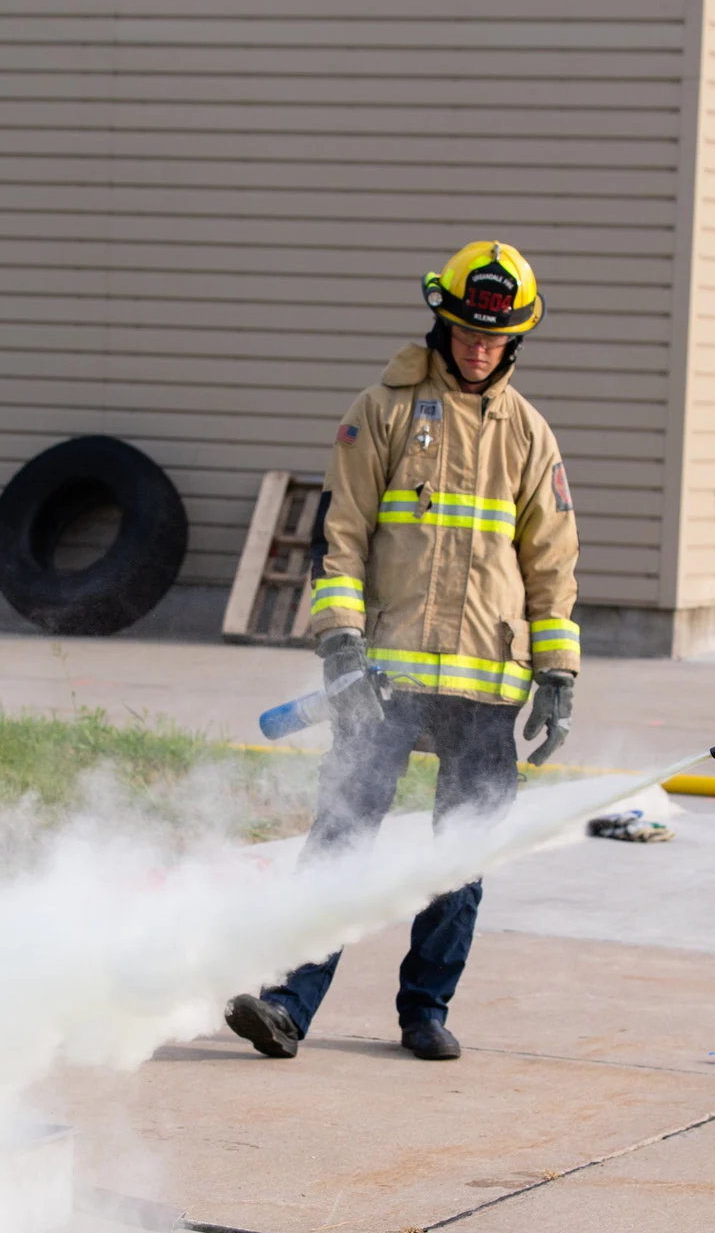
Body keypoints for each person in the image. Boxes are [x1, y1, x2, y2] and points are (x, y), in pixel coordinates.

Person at [223, 241, 580, 1063]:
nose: (479, 349)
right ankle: (285, 1003)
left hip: (489, 687)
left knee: (462, 856)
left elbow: (552, 565)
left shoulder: (530, 437)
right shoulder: (381, 412)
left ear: (516, 341)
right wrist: (340, 643)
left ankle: (425, 1008)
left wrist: (558, 673)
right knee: (342, 838)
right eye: (466, 332)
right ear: (441, 322)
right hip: (381, 679)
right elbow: (339, 538)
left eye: (496, 339)